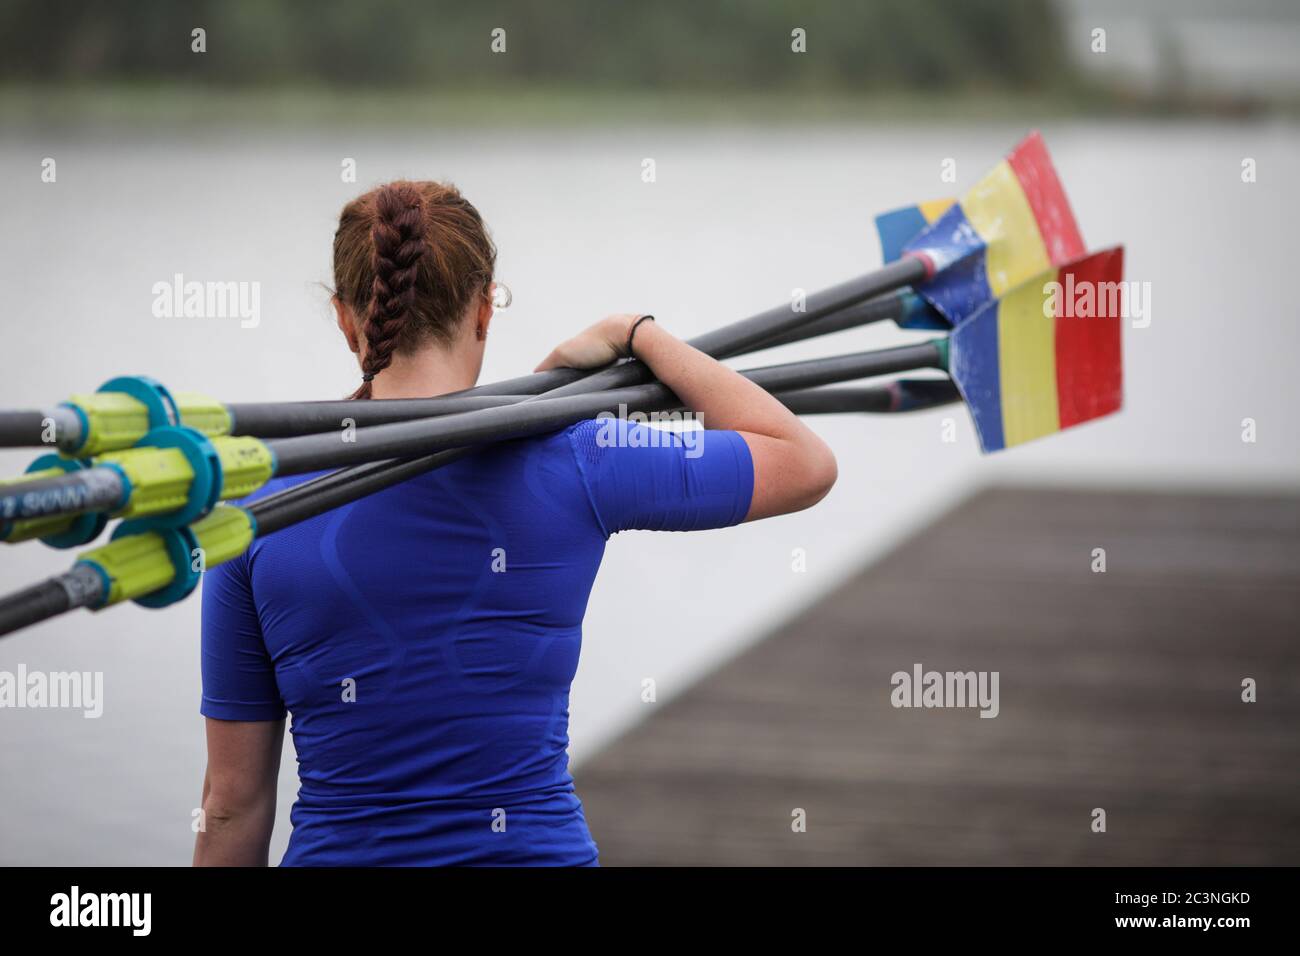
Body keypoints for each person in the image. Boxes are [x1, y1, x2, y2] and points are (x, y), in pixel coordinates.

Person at [193, 180, 836, 866]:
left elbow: (232, 806)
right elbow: (803, 461)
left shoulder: (254, 510)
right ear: (482, 310)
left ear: (348, 320)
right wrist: (637, 334)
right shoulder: (581, 456)